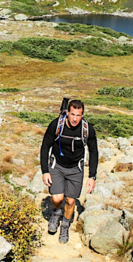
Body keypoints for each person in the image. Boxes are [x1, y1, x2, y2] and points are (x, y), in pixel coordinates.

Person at [40, 99, 98, 244]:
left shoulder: (87, 129)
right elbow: (45, 146)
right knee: (57, 199)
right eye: (72, 114)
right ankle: (56, 212)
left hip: (75, 168)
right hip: (57, 166)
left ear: (83, 115)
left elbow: (93, 151)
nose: (74, 118)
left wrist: (92, 176)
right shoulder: (56, 125)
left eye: (78, 115)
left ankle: (65, 226)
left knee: (71, 201)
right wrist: (45, 171)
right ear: (67, 112)